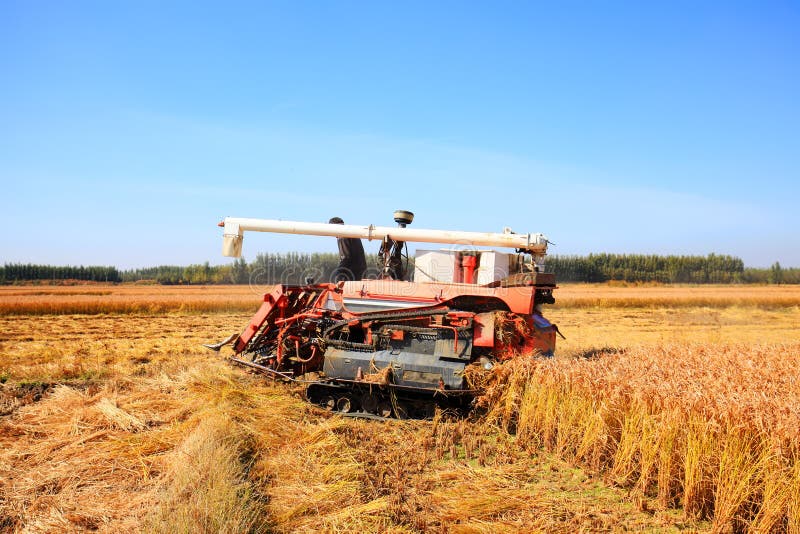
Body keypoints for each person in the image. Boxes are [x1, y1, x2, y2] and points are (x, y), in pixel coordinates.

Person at [329, 217, 367, 282]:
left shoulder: (342, 236)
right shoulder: (352, 233)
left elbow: (346, 258)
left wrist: (338, 274)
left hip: (351, 274)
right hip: (360, 272)